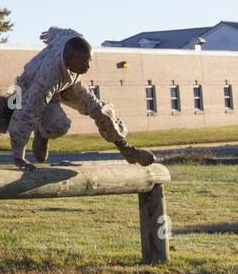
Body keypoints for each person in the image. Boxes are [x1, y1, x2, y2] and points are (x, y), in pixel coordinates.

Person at [9, 27, 157, 170]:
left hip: (69, 83)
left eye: (89, 61)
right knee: (59, 125)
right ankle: (42, 132)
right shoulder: (45, 81)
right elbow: (25, 116)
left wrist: (51, 33)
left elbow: (64, 32)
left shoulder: (74, 38)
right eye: (83, 63)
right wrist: (19, 157)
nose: (87, 67)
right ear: (69, 59)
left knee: (99, 109)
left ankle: (125, 148)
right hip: (32, 84)